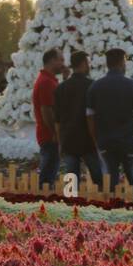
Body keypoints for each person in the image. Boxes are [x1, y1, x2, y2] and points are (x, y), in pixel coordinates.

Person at [87, 47, 133, 192]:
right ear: (122, 63)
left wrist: (95, 139)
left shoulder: (95, 86)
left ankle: (109, 210)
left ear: (107, 64)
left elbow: (89, 117)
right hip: (128, 140)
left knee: (109, 184)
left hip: (105, 141)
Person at [54, 50, 103, 189]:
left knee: (71, 181)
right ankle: (105, 203)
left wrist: (60, 142)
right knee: (99, 179)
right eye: (88, 63)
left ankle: (71, 205)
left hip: (68, 139)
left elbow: (57, 119)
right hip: (89, 139)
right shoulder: (92, 86)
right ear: (83, 63)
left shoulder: (61, 88)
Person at [33, 48, 63, 187]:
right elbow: (47, 111)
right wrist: (55, 132)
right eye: (60, 60)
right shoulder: (46, 82)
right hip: (49, 135)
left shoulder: (49, 80)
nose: (63, 64)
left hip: (50, 134)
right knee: (47, 176)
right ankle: (42, 202)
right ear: (52, 61)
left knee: (50, 171)